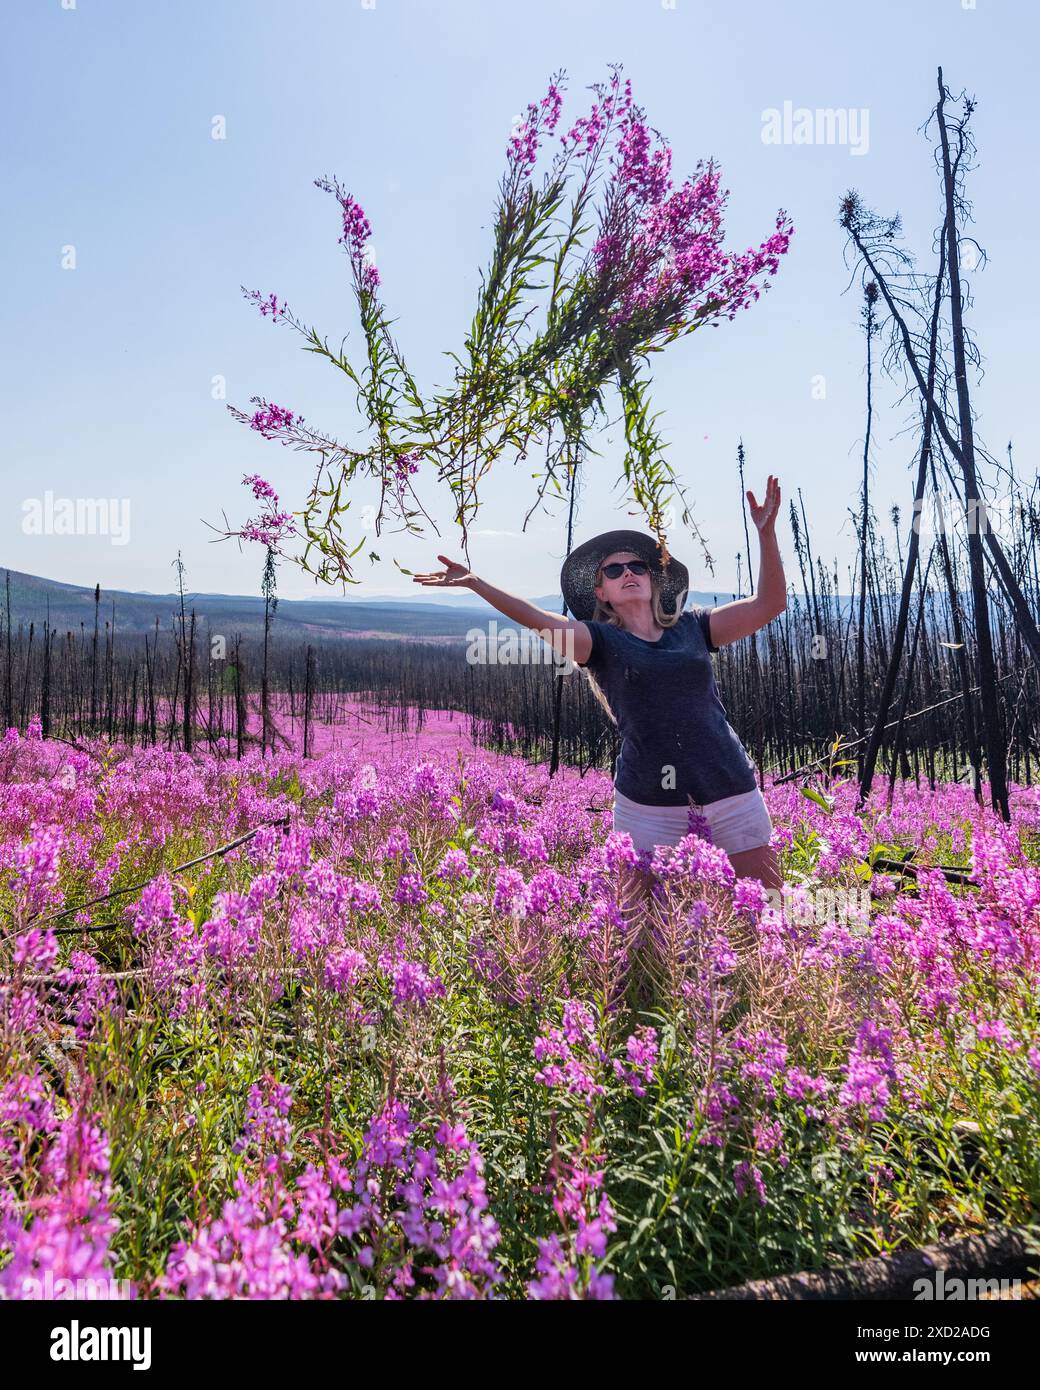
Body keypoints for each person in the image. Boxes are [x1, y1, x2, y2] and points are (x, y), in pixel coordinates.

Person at [412, 476, 786, 902]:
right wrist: (476, 582)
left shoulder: (695, 628)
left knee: (766, 912)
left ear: (654, 579)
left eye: (638, 566)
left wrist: (766, 534)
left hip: (729, 789)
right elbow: (538, 620)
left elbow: (770, 604)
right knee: (641, 931)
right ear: (601, 592)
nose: (628, 572)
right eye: (614, 569)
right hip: (647, 803)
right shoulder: (598, 642)